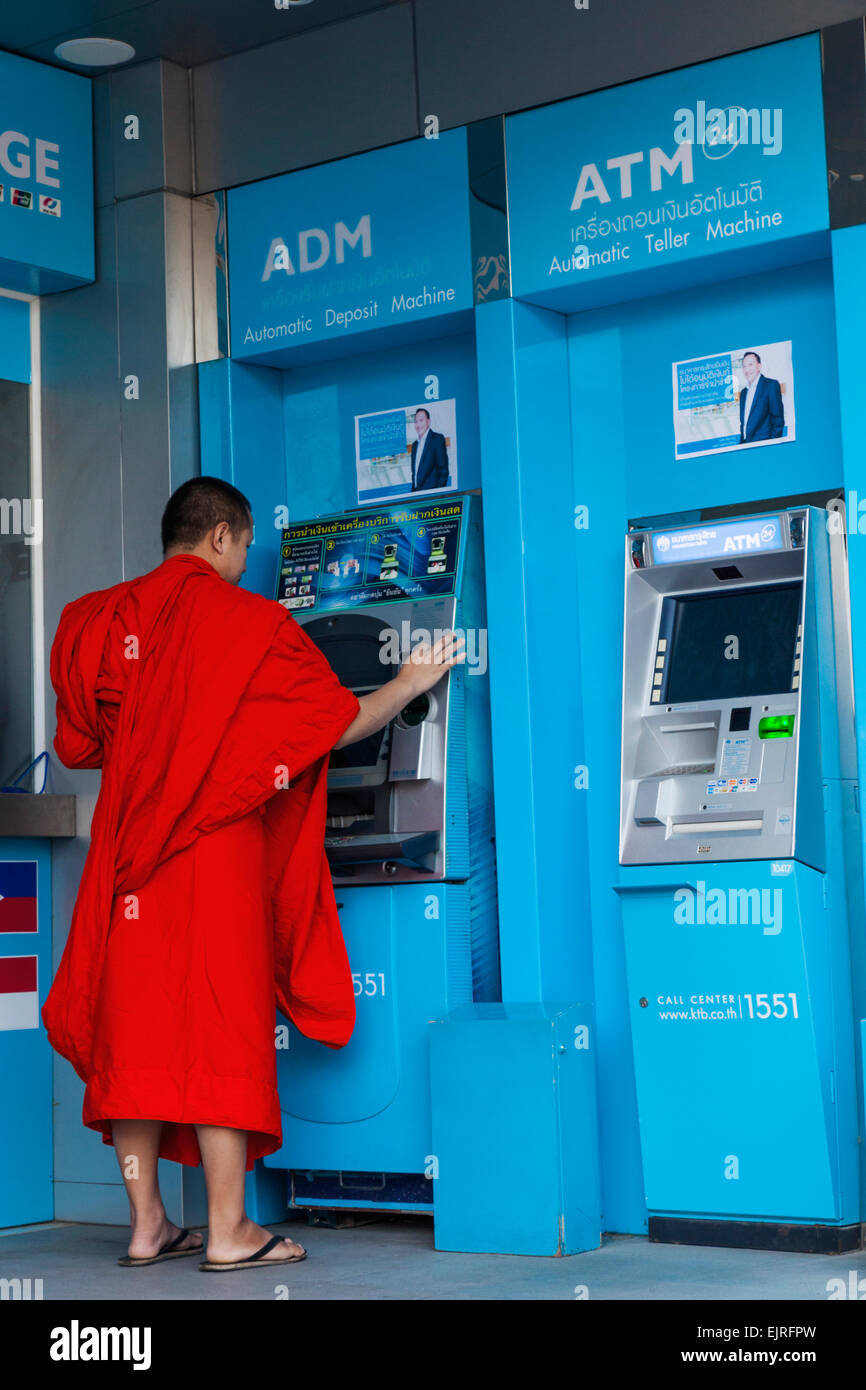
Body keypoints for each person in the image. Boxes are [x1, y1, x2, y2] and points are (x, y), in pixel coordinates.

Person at [43, 477, 463, 1272]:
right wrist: (410, 682)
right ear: (225, 537)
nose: (244, 562)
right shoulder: (253, 624)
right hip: (214, 853)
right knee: (219, 1030)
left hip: (127, 852)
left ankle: (145, 1225)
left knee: (132, 1038)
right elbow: (331, 721)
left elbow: (84, 740)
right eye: (244, 549)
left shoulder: (98, 620)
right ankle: (231, 1230)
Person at [738, 350, 784, 443]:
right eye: (744, 366)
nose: (747, 370)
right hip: (746, 446)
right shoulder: (743, 393)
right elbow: (744, 424)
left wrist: (771, 444)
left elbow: (778, 420)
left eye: (750, 365)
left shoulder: (770, 385)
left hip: (765, 446)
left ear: (759, 366)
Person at [410, 408, 450, 491]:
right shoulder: (414, 446)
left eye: (421, 420)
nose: (418, 425)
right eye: (416, 421)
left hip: (433, 497)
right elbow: (414, 474)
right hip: (418, 497)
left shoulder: (437, 439)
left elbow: (443, 470)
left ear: (428, 422)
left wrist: (438, 495)